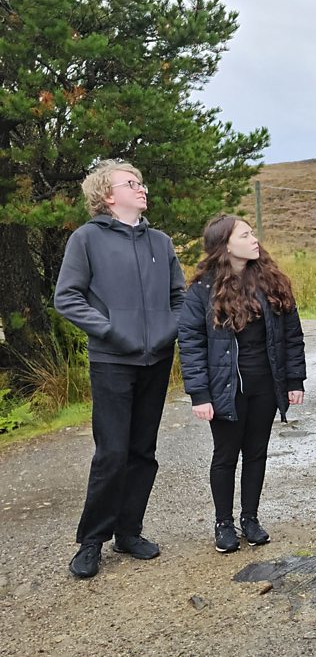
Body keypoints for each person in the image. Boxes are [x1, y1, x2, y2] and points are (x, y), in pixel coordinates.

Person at [54, 159, 185, 579]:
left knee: (143, 452)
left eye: (142, 182)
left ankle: (128, 532)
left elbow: (180, 299)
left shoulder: (161, 243)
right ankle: (91, 541)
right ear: (108, 196)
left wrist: (169, 331)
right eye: (132, 183)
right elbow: (67, 298)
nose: (142, 188)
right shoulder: (86, 239)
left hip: (157, 360)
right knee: (111, 453)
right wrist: (112, 332)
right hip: (112, 360)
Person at [178, 215, 307, 553]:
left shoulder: (272, 281)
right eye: (245, 234)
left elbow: (292, 336)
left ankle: (250, 518)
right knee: (225, 456)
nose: (254, 239)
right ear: (225, 245)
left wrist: (294, 379)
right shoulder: (203, 290)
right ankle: (224, 523)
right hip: (225, 390)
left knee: (257, 453)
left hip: (266, 384)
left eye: (252, 233)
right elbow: (191, 344)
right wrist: (199, 394)